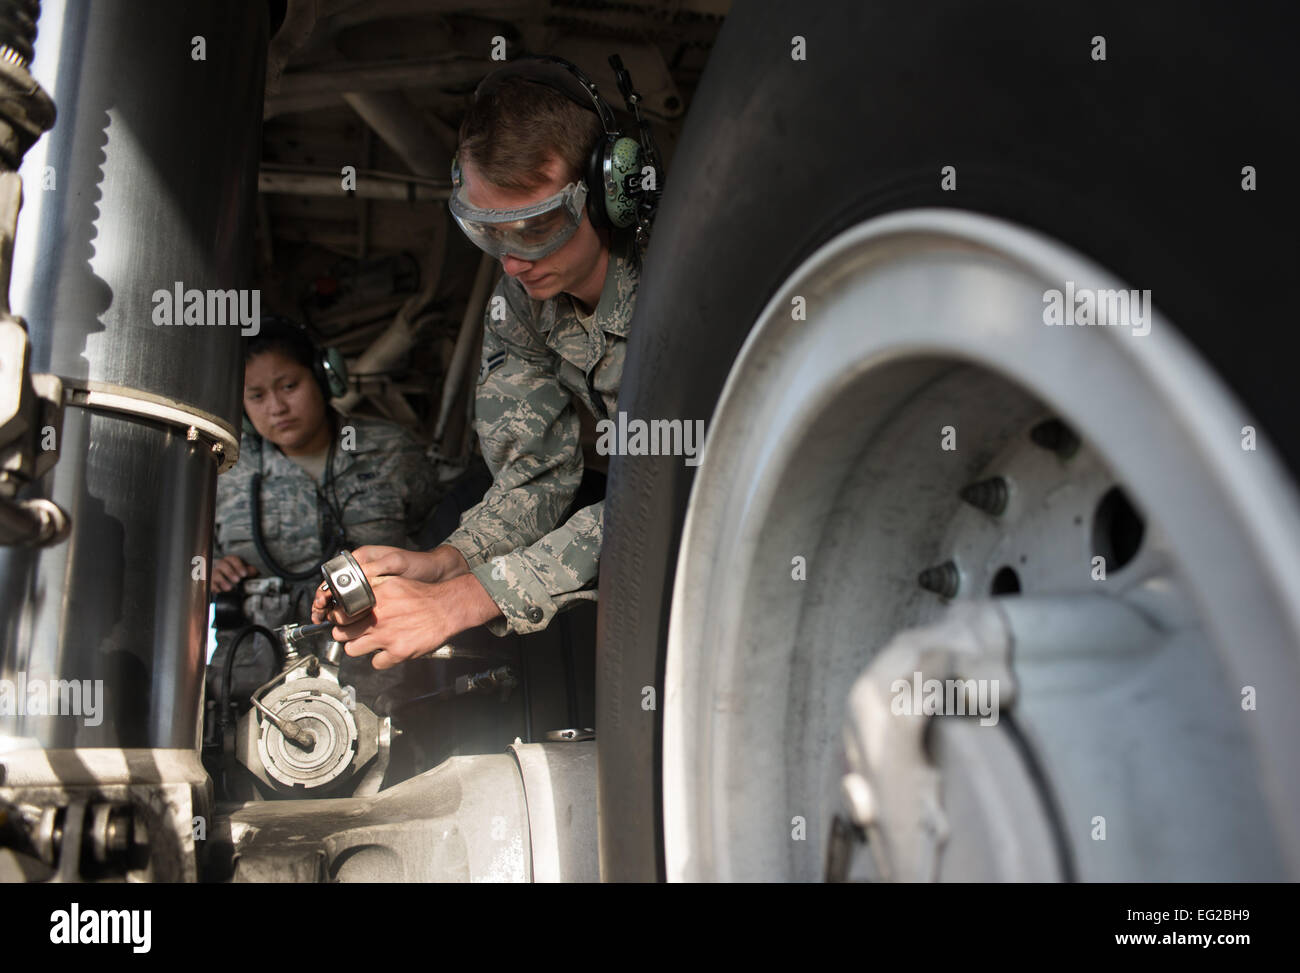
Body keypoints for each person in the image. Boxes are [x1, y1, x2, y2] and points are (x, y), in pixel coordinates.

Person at [313, 55, 654, 667]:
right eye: (490, 232)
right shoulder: (522, 303)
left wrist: (463, 601)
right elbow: (536, 475)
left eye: (537, 227)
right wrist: (445, 562)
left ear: (610, 193)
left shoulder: (689, 289)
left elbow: (671, 493)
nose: (513, 262)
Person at [212, 317, 441, 702]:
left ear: (323, 377)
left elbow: (436, 537)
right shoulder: (223, 468)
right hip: (254, 691)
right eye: (256, 396)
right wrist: (212, 567)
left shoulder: (391, 452)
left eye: (289, 386)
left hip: (380, 684)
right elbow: (186, 558)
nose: (277, 407)